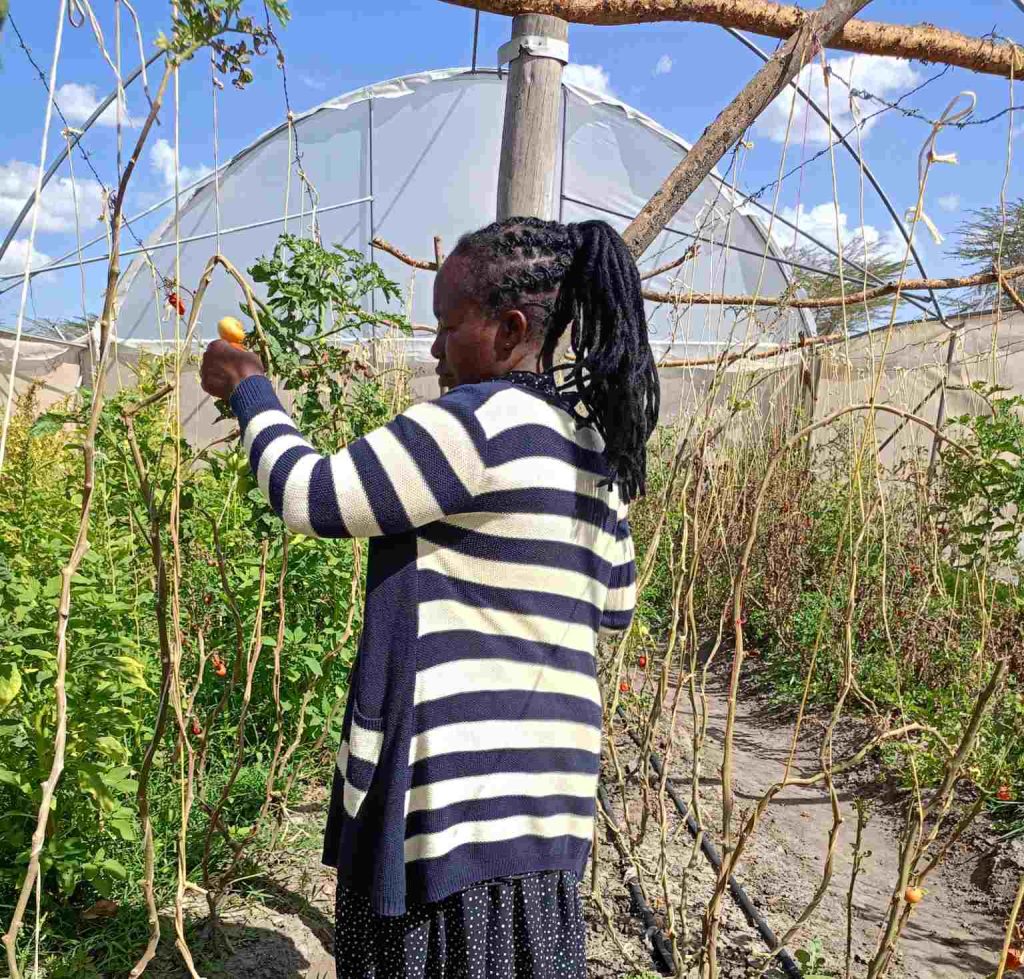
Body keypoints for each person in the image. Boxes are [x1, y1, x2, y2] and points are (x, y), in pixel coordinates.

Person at [200, 216, 660, 978]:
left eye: (448, 326)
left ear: (510, 329)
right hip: (547, 808)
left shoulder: (475, 425)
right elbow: (614, 606)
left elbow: (313, 494)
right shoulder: (592, 450)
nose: (437, 349)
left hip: (453, 807)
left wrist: (250, 388)